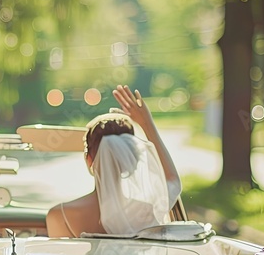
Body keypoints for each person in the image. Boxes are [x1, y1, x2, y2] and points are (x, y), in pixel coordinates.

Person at [46, 85, 181, 238]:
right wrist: (146, 123)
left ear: (88, 159)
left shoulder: (59, 216)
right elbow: (173, 181)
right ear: (133, 160)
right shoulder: (146, 211)